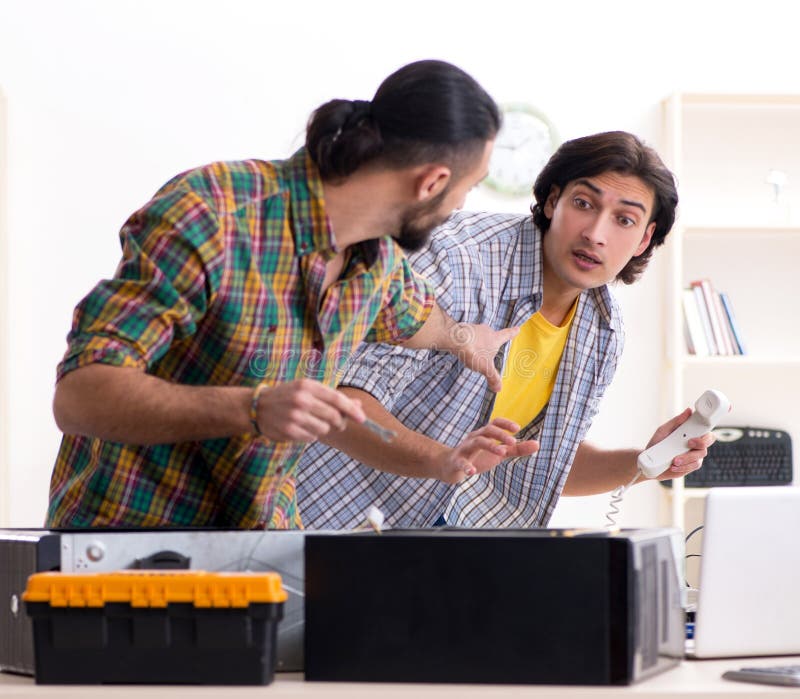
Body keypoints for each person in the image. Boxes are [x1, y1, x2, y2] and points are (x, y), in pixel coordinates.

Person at [46, 59, 514, 530]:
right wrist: (250, 409)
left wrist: (465, 340)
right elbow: (79, 397)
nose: (459, 207)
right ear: (431, 182)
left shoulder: (381, 263)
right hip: (128, 551)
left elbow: (419, 320)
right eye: (467, 188)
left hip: (262, 556)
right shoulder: (213, 213)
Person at [296, 130, 715, 529]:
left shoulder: (601, 327)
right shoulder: (457, 260)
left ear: (644, 239)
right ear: (553, 201)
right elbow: (343, 405)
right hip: (333, 518)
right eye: (584, 204)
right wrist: (444, 460)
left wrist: (648, 461)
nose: (595, 233)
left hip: (449, 547)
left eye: (624, 220)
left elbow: (543, 463)